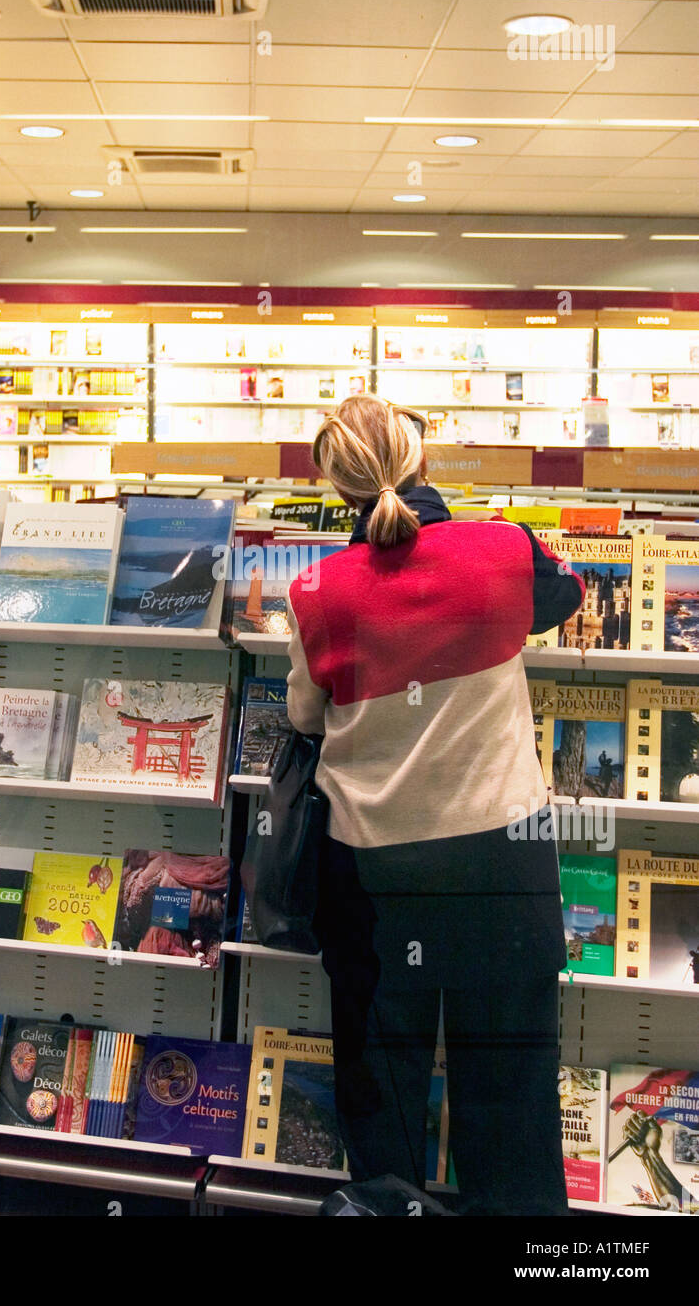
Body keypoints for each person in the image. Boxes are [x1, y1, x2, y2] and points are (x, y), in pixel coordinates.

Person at [285, 394, 585, 1216]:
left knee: (380, 1086)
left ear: (334, 484)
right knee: (512, 1089)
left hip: (374, 873)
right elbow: (570, 598)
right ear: (423, 460)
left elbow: (305, 719)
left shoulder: (317, 589)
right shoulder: (503, 551)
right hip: (501, 863)